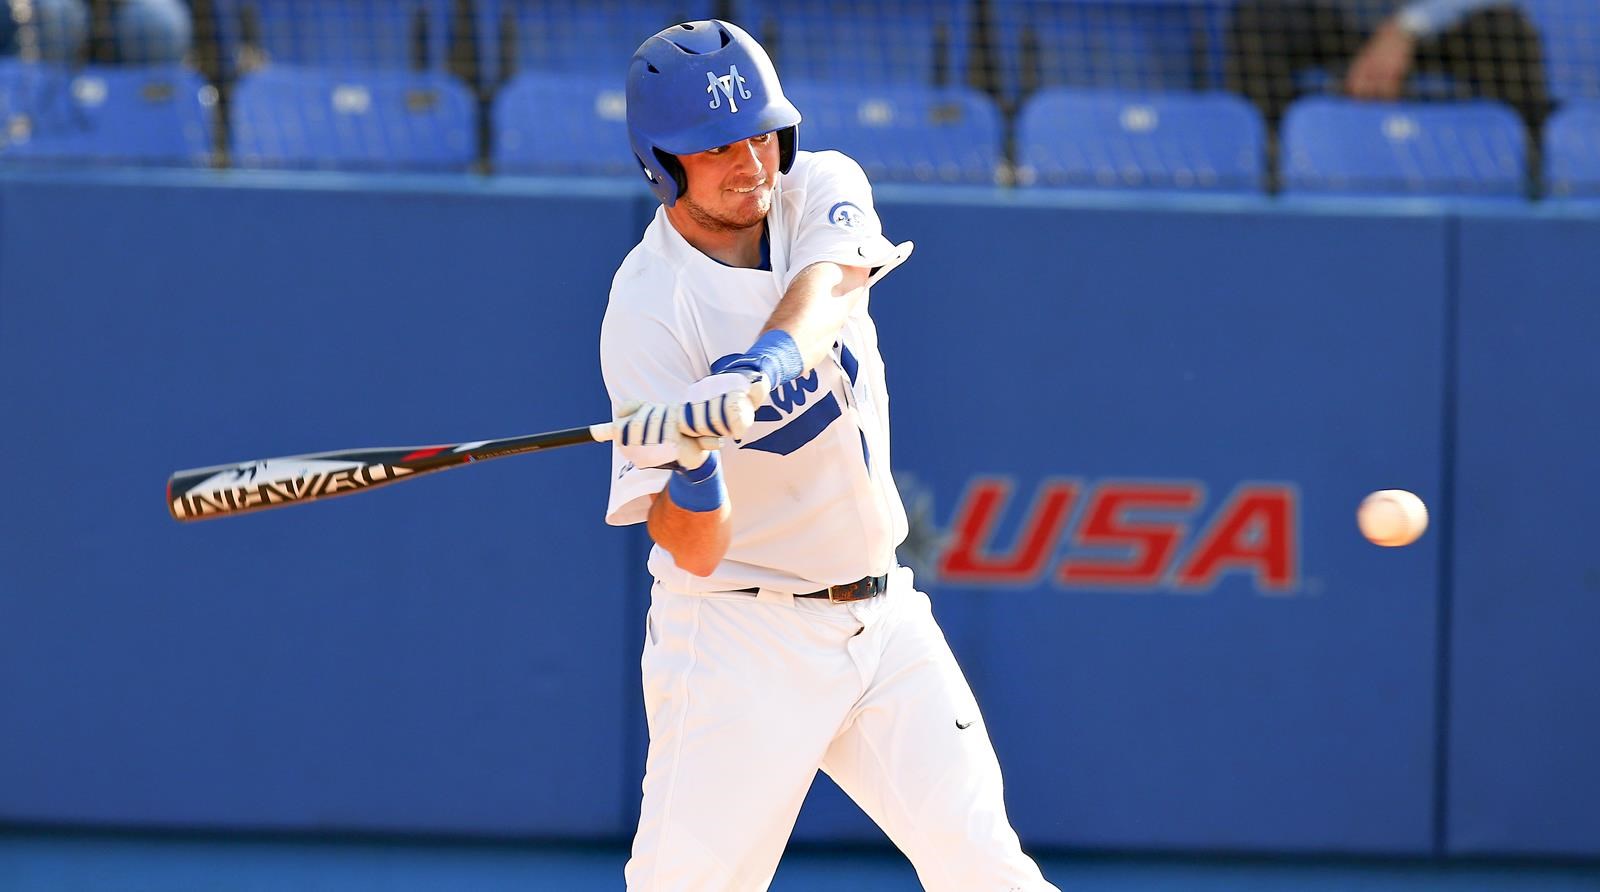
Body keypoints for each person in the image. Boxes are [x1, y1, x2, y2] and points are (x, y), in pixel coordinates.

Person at [599, 19, 1059, 892]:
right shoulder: (647, 312)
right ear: (662, 160)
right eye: (716, 148)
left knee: (986, 867)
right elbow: (689, 547)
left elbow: (830, 286)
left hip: (882, 615)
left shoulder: (820, 185)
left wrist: (761, 364)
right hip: (741, 632)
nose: (751, 165)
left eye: (760, 134)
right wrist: (694, 461)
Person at [1224, 0, 1552, 135]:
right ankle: (1269, 163)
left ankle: (1530, 166)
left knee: (1507, 33)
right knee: (1258, 18)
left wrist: (1408, 27)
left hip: (1426, 28)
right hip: (1332, 20)